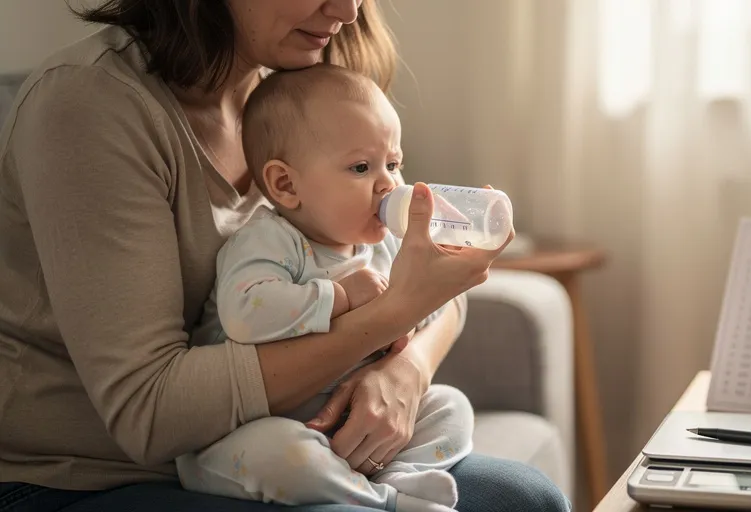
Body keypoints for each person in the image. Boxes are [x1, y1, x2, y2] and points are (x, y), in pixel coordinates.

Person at [0, 1, 571, 511]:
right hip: (91, 478)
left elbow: (434, 294)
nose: (348, 10)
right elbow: (148, 414)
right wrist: (385, 316)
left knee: (528, 498)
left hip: (302, 432)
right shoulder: (89, 106)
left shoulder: (300, 94)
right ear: (282, 182)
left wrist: (405, 371)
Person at [175, 64, 473, 512]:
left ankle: (397, 476)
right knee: (285, 457)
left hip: (349, 428)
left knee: (451, 408)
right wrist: (341, 296)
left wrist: (432, 276)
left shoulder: (384, 245)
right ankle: (387, 501)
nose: (389, 183)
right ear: (286, 184)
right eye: (361, 167)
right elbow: (245, 312)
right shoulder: (271, 240)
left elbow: (434, 307)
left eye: (394, 164)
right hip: (254, 430)